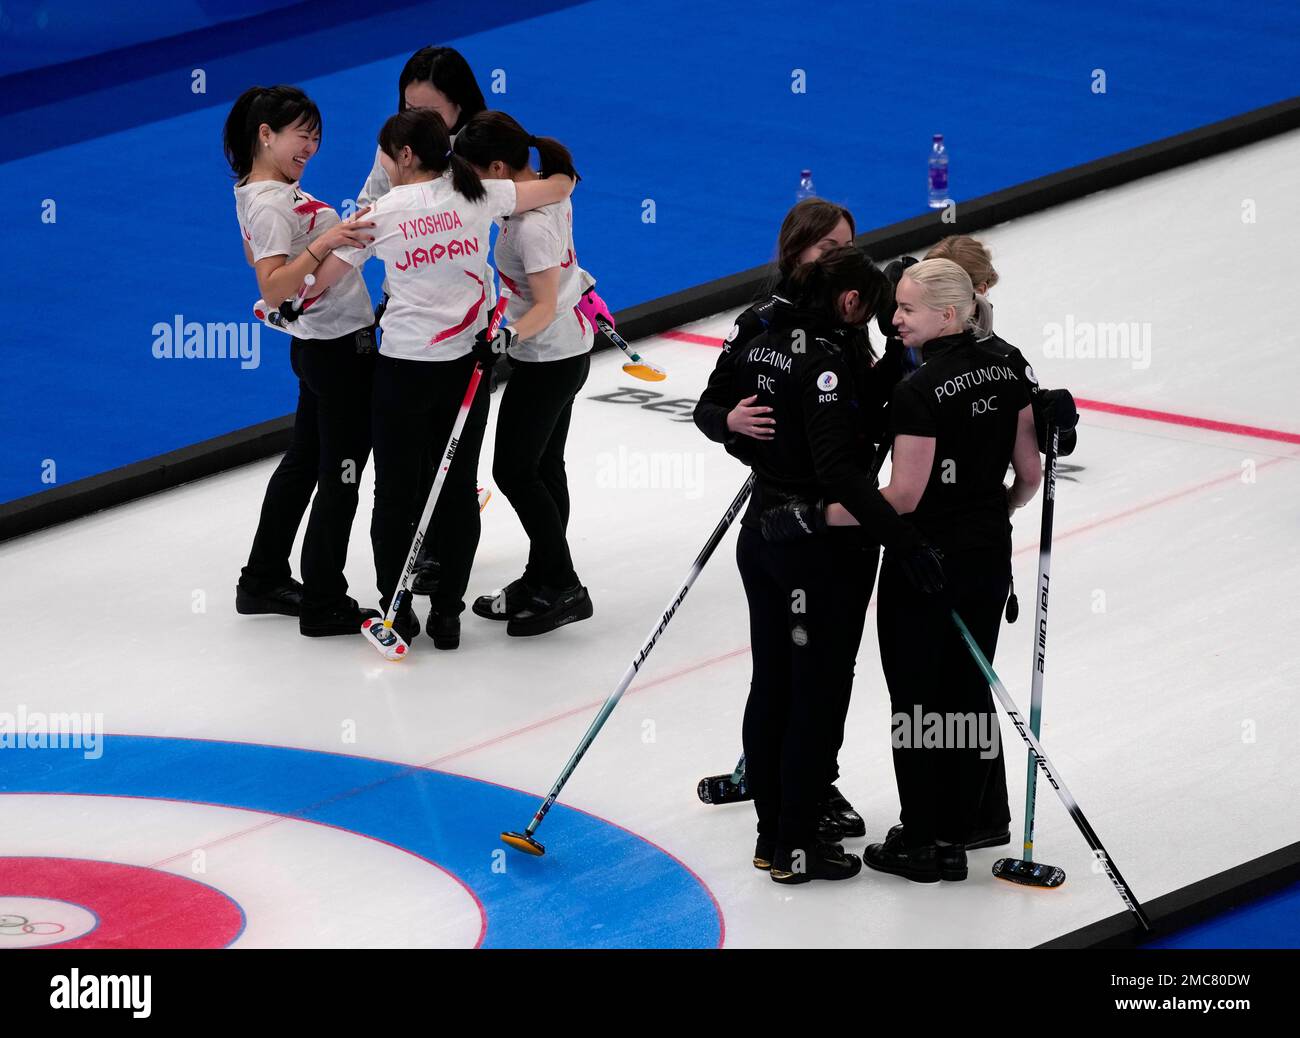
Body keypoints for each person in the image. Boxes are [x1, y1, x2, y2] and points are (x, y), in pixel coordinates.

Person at [696, 245, 942, 884]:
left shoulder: (763, 329)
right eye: (874, 312)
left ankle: (773, 837)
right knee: (814, 694)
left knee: (776, 684)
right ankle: (796, 847)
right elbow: (839, 469)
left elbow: (720, 409)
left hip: (764, 533)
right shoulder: (826, 359)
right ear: (851, 301)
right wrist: (904, 540)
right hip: (815, 546)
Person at [306, 108, 576, 649]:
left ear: (405, 155)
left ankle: (396, 608)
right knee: (457, 488)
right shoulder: (480, 193)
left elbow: (323, 279)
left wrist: (290, 295)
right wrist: (563, 173)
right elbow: (550, 189)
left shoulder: (380, 211)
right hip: (466, 368)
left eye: (385, 153)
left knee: (395, 493)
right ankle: (447, 615)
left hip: (403, 369)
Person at [854, 258, 1043, 882]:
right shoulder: (1008, 366)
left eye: (906, 308)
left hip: (923, 560)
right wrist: (991, 516)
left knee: (916, 697)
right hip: (986, 556)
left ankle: (926, 840)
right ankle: (969, 822)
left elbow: (903, 497)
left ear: (948, 314)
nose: (895, 317)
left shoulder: (918, 389)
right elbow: (1030, 477)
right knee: (965, 690)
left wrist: (828, 512)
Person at [224, 84, 382, 636]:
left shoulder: (258, 192)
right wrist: (329, 240)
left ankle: (262, 577)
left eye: (315, 137)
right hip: (338, 349)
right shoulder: (270, 204)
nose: (309, 147)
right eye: (300, 135)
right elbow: (272, 289)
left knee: (304, 461)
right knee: (342, 473)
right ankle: (322, 600)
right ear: (265, 135)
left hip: (321, 345)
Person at [453, 111, 595, 636]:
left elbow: (543, 304)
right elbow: (567, 179)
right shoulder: (547, 187)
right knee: (544, 466)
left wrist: (504, 340)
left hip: (548, 359)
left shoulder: (531, 226)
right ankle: (542, 575)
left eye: (471, 174)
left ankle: (562, 584)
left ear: (496, 167)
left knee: (514, 472)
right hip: (567, 350)